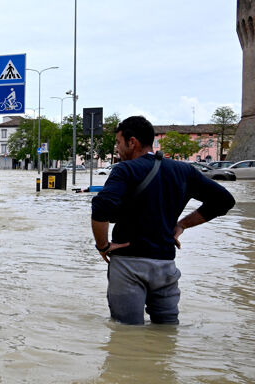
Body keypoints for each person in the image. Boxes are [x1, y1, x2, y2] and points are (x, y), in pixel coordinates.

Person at [91, 115, 235, 325]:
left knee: (126, 331)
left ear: (132, 142)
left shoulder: (125, 169)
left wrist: (103, 246)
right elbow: (224, 201)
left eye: (118, 143)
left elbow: (101, 207)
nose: (117, 149)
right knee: (167, 331)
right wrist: (182, 225)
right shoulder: (184, 170)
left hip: (129, 264)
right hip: (166, 265)